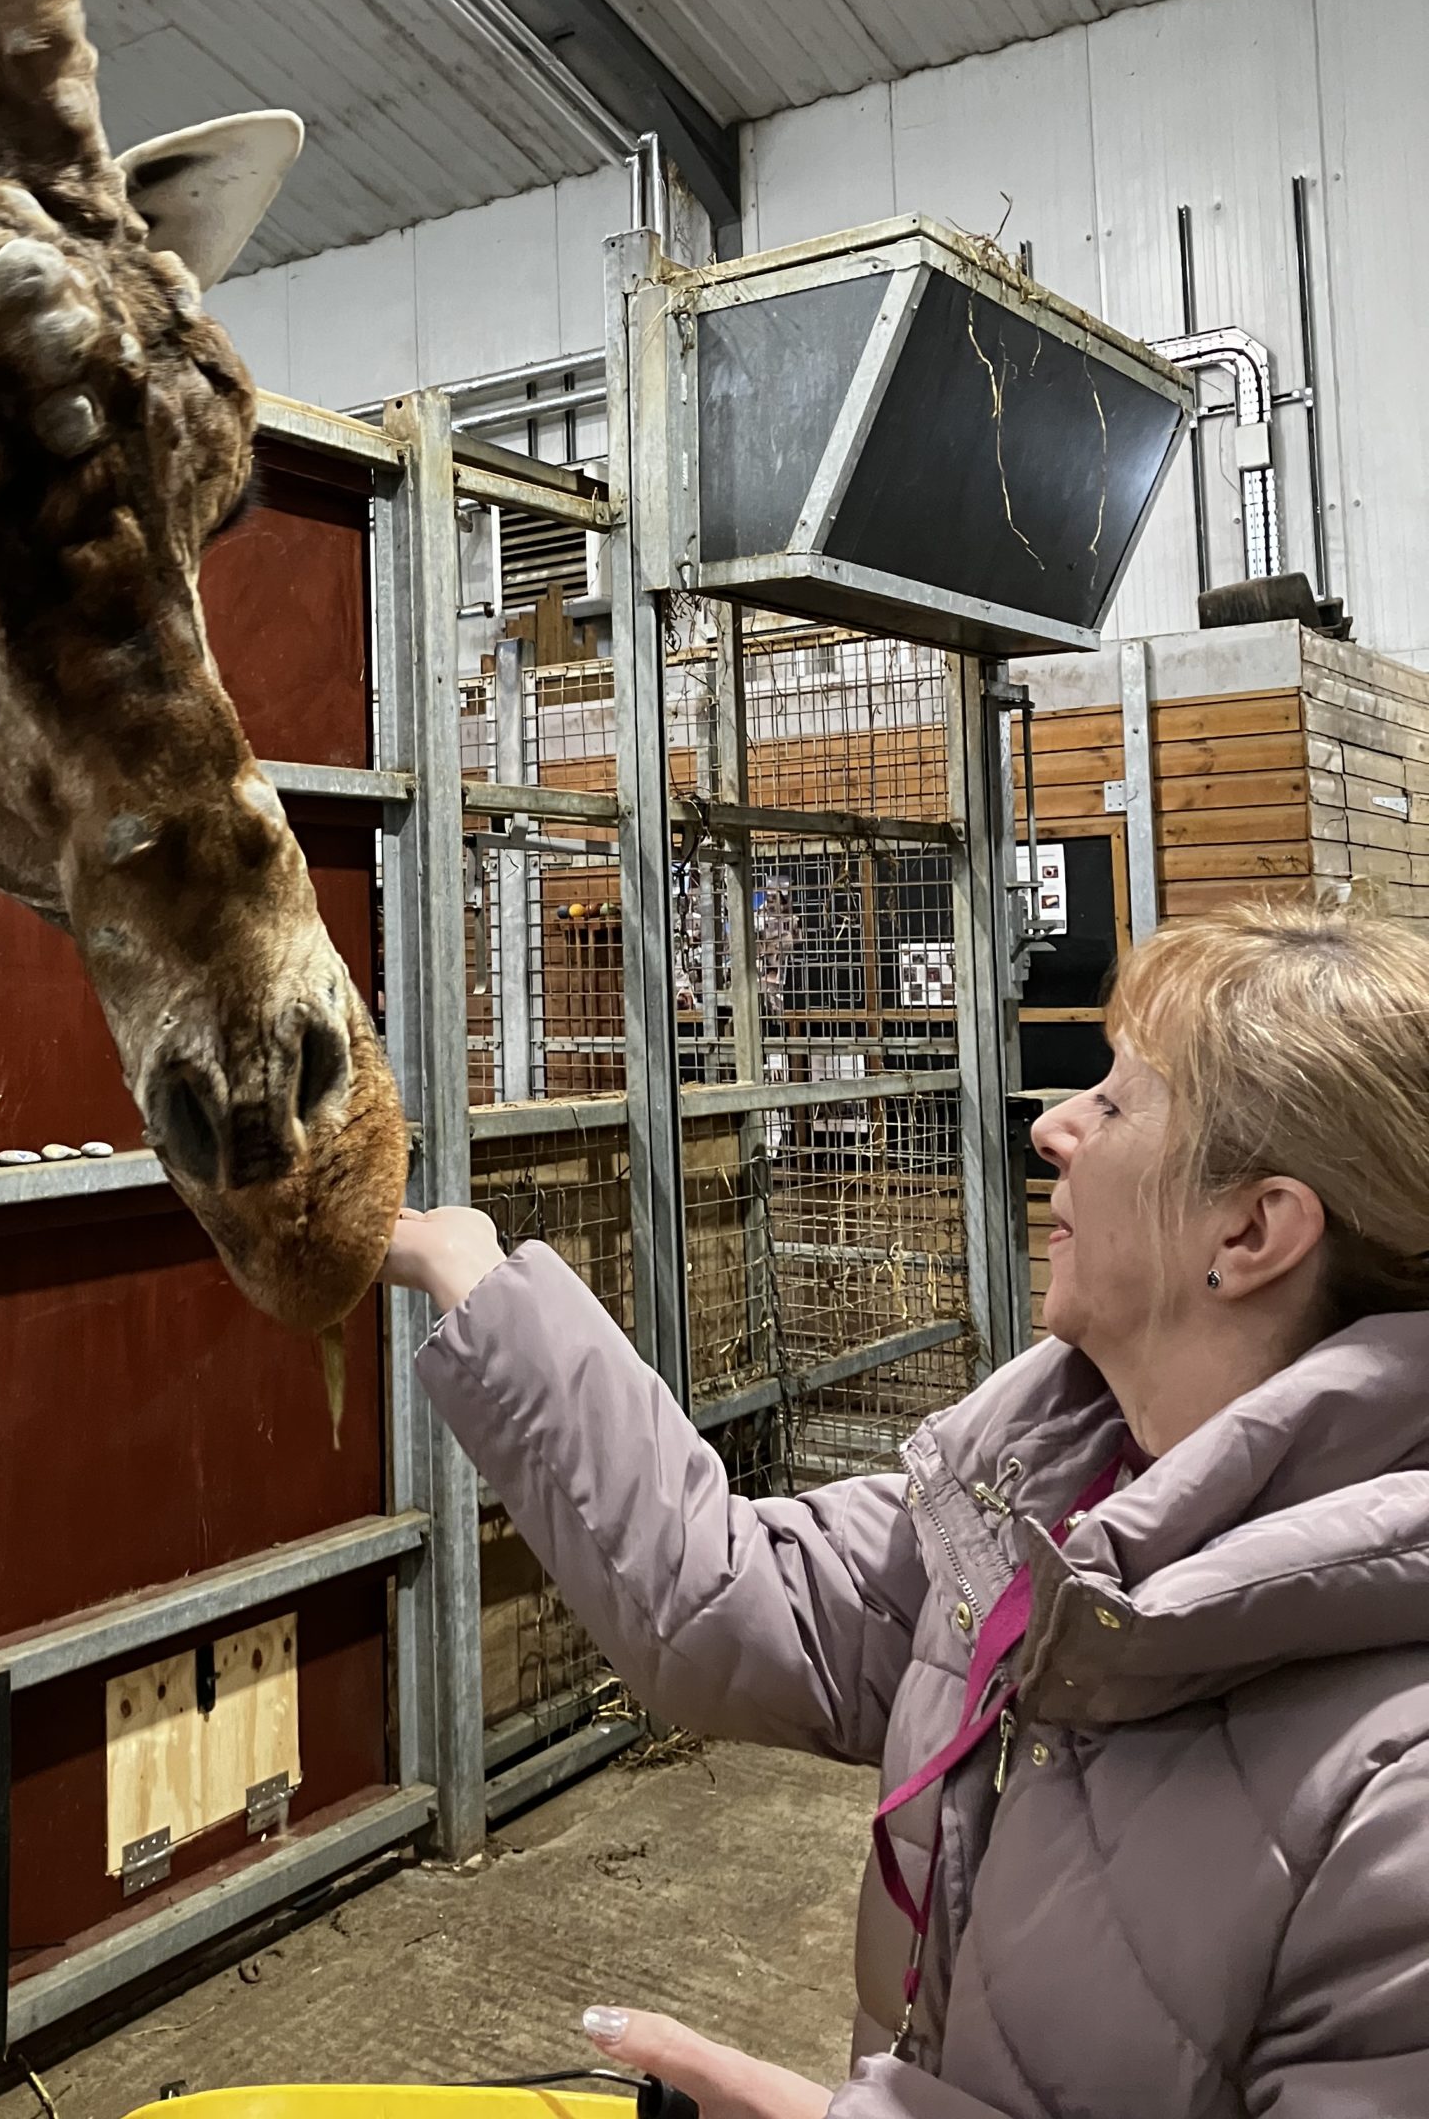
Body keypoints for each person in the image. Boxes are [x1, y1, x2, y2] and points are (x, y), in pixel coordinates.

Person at [388, 903, 1429, 2117]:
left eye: (1116, 1103)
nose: (1053, 1128)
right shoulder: (1042, 1497)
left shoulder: (1397, 1794)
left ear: (1250, 1231)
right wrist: (473, 1273)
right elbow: (730, 1599)